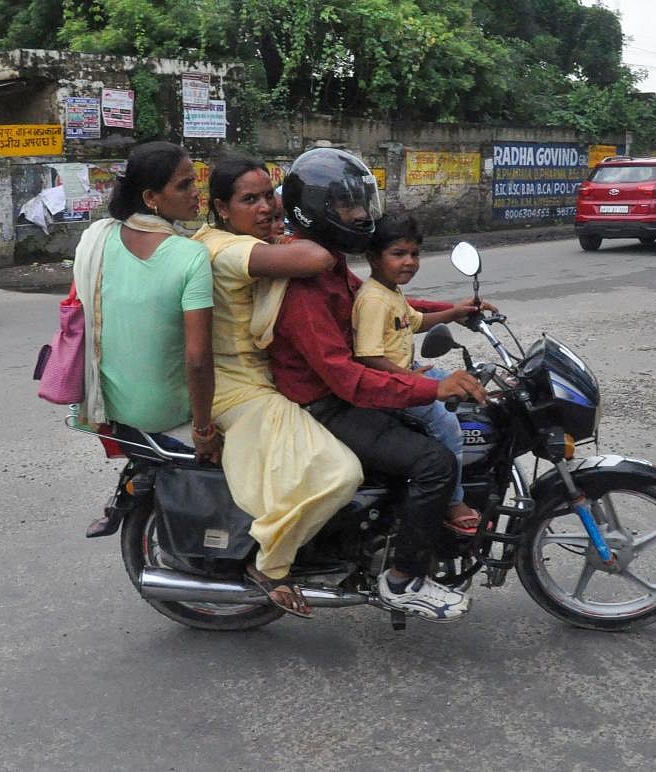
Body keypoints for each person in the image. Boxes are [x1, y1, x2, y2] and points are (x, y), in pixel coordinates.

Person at [267, 148, 487, 623]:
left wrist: (454, 310)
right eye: (348, 206)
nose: (360, 214)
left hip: (345, 391)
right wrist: (432, 388)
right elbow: (349, 378)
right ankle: (402, 579)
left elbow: (387, 305)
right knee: (434, 462)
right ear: (319, 209)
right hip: (325, 403)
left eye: (360, 203)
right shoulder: (304, 286)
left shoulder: (325, 264)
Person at [192, 153, 363, 618]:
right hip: (241, 390)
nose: (267, 207)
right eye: (251, 200)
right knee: (340, 474)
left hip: (267, 380)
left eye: (270, 195)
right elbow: (315, 257)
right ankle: (269, 564)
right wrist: (331, 218)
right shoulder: (224, 248)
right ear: (223, 209)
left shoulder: (251, 240)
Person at [72, 141, 221, 469]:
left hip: (111, 406)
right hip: (163, 414)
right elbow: (197, 360)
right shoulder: (191, 256)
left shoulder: (98, 238)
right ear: (151, 198)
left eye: (195, 181)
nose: (196, 192)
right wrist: (203, 430)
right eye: (183, 185)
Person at [353, 213, 495, 537]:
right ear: (374, 257)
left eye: (414, 254)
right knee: (446, 422)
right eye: (398, 254)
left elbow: (416, 321)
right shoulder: (374, 299)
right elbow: (369, 356)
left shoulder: (390, 291)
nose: (409, 262)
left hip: (408, 375)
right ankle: (453, 501)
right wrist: (412, 380)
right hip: (389, 388)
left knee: (470, 385)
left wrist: (455, 313)